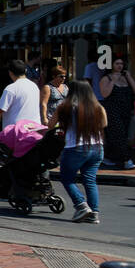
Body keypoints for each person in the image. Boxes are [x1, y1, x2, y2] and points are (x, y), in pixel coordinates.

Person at [47, 80, 107, 224]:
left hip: (75, 148)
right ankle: (94, 213)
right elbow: (104, 124)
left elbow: (50, 125)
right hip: (97, 147)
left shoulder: (65, 107)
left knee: (67, 178)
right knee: (90, 180)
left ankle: (81, 205)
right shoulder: (97, 107)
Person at [99, 57, 135, 170]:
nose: (120, 66)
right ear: (111, 65)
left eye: (121, 64)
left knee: (121, 135)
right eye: (117, 63)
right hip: (112, 110)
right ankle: (127, 160)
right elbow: (104, 94)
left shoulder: (126, 77)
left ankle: (109, 157)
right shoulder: (106, 78)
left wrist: (128, 76)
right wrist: (113, 81)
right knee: (118, 134)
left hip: (126, 110)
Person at [0, 59, 43, 132]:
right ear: (25, 71)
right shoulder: (34, 86)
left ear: (10, 73)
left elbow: (0, 109)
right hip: (34, 128)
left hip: (16, 131)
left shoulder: (11, 88)